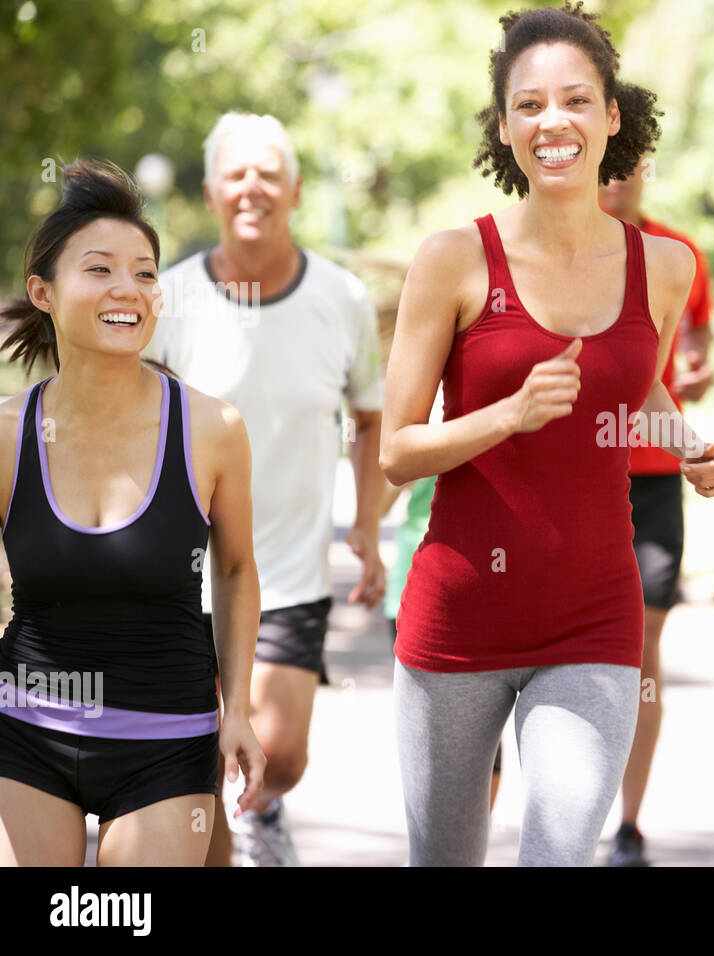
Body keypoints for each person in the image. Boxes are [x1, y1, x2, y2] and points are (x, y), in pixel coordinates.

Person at [382, 1, 714, 867]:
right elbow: (394, 451)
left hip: (592, 614)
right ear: (503, 129)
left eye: (576, 100)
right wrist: (507, 414)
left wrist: (694, 448)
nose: (555, 122)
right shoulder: (453, 261)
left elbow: (639, 387)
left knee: (558, 853)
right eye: (530, 105)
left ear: (614, 117)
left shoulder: (666, 266)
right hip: (459, 616)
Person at [0, 160, 264, 865]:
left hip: (166, 740)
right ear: (44, 293)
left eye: (146, 273)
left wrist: (235, 710)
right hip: (24, 730)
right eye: (100, 270)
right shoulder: (7, 434)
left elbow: (236, 569)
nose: (129, 289)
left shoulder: (213, 429)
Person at [148, 112, 387, 866]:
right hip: (183, 574)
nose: (251, 187)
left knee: (279, 755)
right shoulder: (172, 297)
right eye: (235, 174)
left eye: (267, 173)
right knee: (199, 754)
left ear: (296, 190)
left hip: (289, 568)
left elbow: (372, 417)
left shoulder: (342, 298)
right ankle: (231, 846)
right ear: (214, 191)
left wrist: (369, 528)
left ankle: (260, 816)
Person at [597, 156, 714, 866]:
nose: (615, 180)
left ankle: (629, 824)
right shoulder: (563, 251)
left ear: (645, 169)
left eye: (627, 167)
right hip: (581, 472)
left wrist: (696, 375)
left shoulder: (678, 256)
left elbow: (691, 352)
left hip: (654, 477)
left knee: (642, 648)